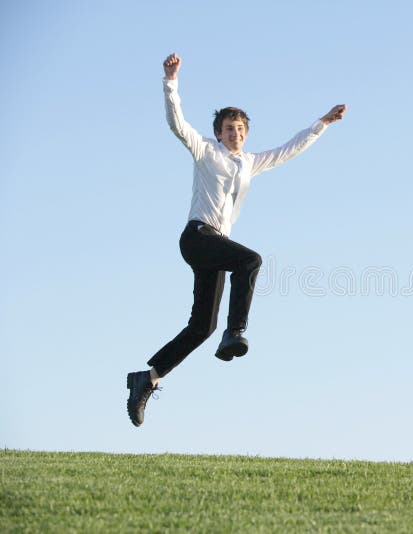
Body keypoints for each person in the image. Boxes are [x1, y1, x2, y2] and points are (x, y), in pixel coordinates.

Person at [126, 53, 346, 427]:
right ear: (218, 132)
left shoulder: (251, 162)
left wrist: (322, 123)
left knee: (200, 327)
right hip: (197, 238)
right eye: (230, 128)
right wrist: (171, 82)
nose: (236, 134)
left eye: (241, 129)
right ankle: (236, 331)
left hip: (216, 246)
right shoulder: (205, 151)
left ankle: (146, 379)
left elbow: (288, 150)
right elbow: (176, 124)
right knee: (250, 260)